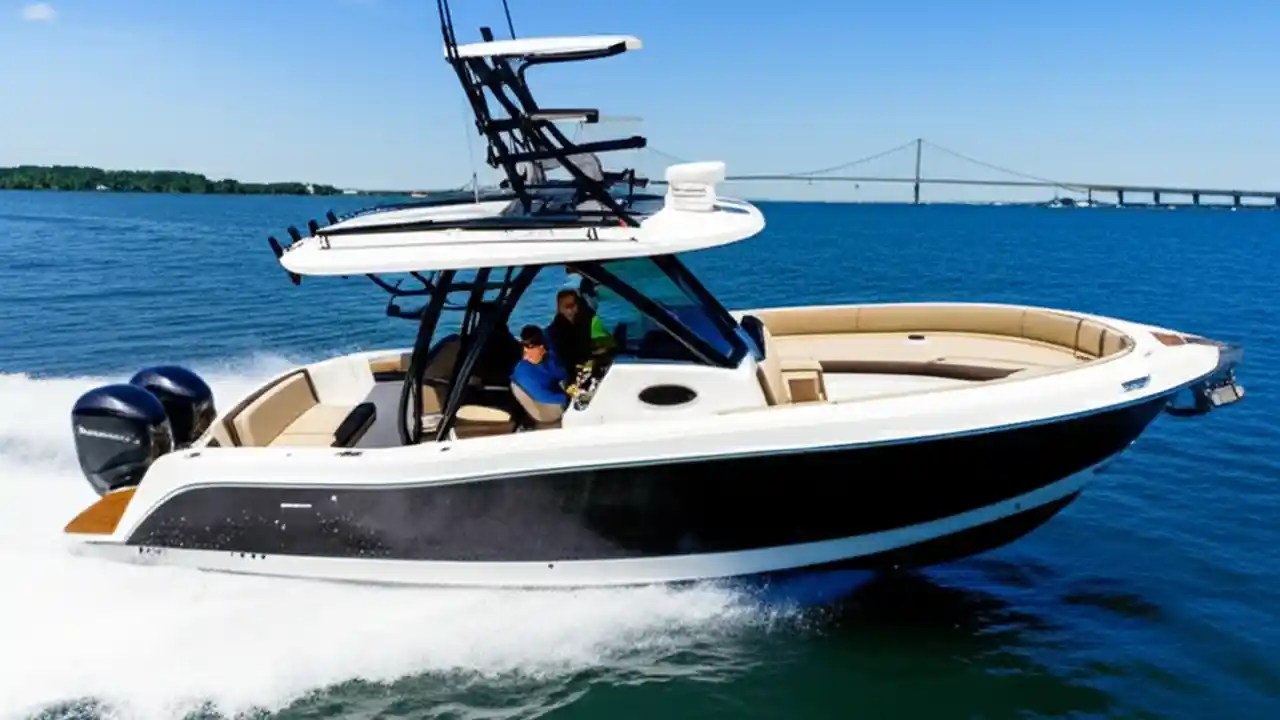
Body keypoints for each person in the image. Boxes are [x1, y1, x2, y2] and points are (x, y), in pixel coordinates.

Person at [511, 325, 568, 407]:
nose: (526, 357)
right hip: (551, 404)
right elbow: (545, 397)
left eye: (528, 352)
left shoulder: (551, 341)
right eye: (525, 353)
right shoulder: (527, 375)